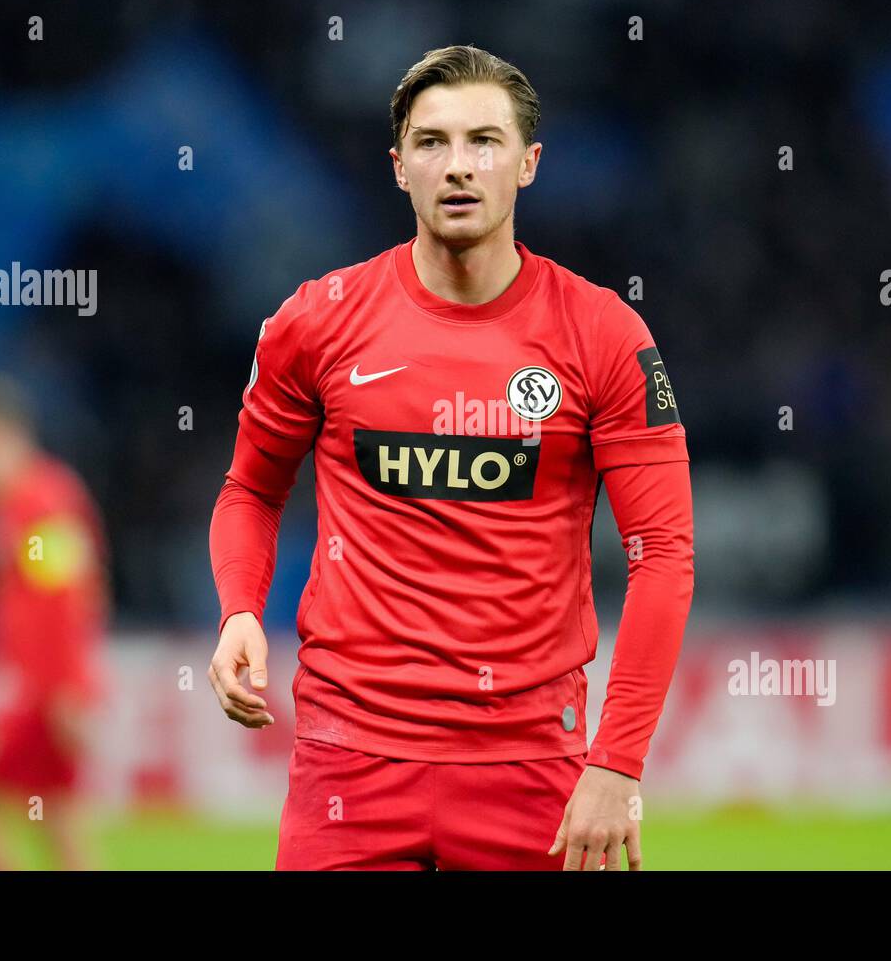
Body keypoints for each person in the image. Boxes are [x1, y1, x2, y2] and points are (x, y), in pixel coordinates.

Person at [208, 45, 695, 870]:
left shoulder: (605, 334)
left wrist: (615, 762)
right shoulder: (316, 321)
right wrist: (239, 610)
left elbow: (663, 554)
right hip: (348, 759)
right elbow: (251, 488)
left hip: (530, 767)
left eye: (485, 141)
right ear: (399, 168)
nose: (458, 166)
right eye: (431, 143)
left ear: (529, 163)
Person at [0, 370, 109, 869]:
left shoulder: (41, 502)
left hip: (42, 692)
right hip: (34, 687)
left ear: (2, 436)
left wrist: (68, 689)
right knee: (56, 820)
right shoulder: (11, 507)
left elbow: (69, 598)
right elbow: (11, 612)